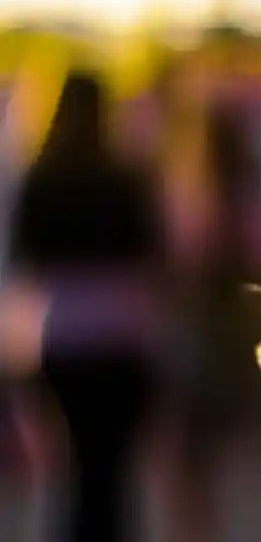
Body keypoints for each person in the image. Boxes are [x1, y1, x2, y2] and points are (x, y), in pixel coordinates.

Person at [8, 72, 165, 542]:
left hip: (62, 337)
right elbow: (156, 255)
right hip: (122, 338)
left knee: (71, 472)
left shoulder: (40, 179)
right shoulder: (128, 177)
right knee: (113, 476)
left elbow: (24, 259)